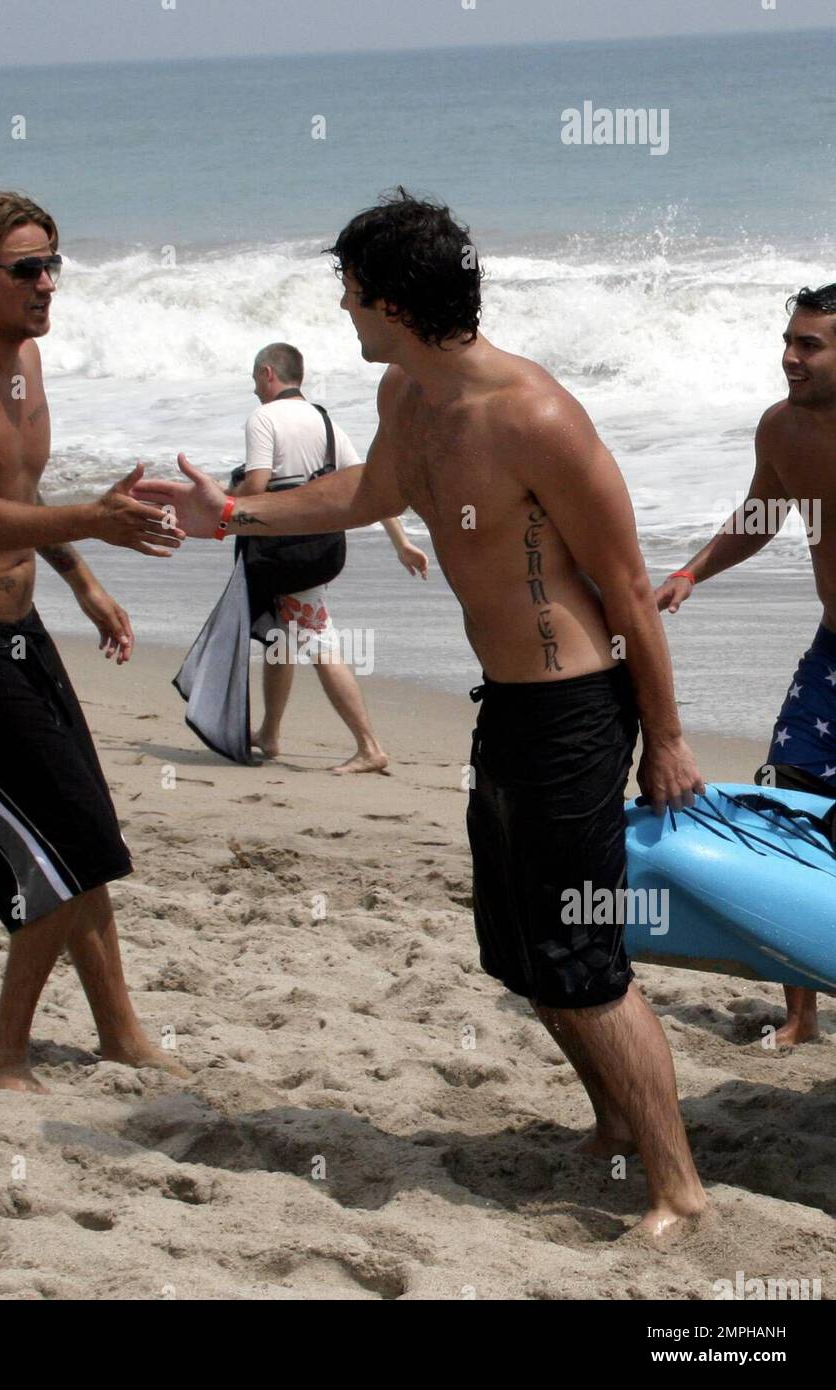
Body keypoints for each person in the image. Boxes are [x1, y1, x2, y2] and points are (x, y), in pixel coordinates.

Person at [138, 189, 709, 1238]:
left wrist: (663, 739)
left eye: (349, 293)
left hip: (576, 707)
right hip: (506, 704)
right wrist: (230, 512)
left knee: (582, 957)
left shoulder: (530, 414)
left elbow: (626, 585)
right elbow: (364, 497)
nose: (342, 312)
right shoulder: (408, 394)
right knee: (523, 949)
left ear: (388, 300)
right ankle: (614, 1127)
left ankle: (678, 1185)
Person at [0, 190, 187, 1093]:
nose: (49, 283)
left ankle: (120, 1032)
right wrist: (93, 523)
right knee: (66, 841)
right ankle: (4, 1056)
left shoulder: (25, 365)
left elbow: (17, 490)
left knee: (83, 829)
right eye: (28, 268)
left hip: (16, 630)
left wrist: (80, 578)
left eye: (55, 263)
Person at [656, 283, 836, 1046]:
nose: (790, 357)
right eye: (789, 341)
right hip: (832, 656)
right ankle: (801, 1016)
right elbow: (762, 514)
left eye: (809, 345)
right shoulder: (782, 429)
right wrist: (691, 572)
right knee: (789, 806)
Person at [237, 342, 428, 773]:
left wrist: (218, 505)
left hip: (285, 549)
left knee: (319, 641)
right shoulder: (325, 422)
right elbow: (368, 487)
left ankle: (369, 746)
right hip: (321, 546)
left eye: (255, 380)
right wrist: (401, 543)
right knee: (280, 639)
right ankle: (269, 733)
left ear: (268, 373)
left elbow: (256, 485)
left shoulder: (263, 419)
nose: (254, 389)